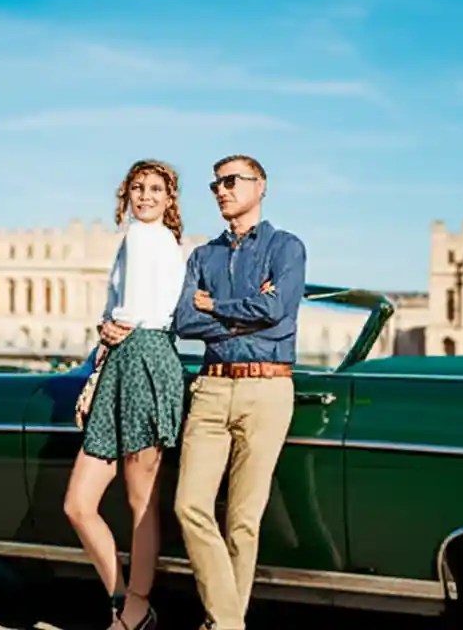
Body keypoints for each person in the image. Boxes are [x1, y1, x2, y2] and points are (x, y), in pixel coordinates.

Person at [171, 154, 307, 630]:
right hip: (210, 388)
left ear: (260, 185)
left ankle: (221, 623)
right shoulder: (202, 256)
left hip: (267, 390)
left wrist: (217, 308)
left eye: (231, 181)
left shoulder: (286, 247)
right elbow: (186, 321)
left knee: (244, 522)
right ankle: (230, 623)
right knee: (189, 506)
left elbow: (278, 311)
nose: (221, 190)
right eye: (215, 184)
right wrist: (244, 313)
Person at [65, 160, 188, 630]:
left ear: (170, 198)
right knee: (79, 503)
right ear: (126, 194)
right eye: (138, 188)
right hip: (122, 360)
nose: (146, 196)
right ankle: (124, 600)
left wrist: (117, 325)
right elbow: (114, 307)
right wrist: (107, 327)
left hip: (146, 358)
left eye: (156, 189)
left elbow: (139, 310)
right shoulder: (134, 239)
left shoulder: (151, 238)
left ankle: (135, 608)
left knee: (141, 500)